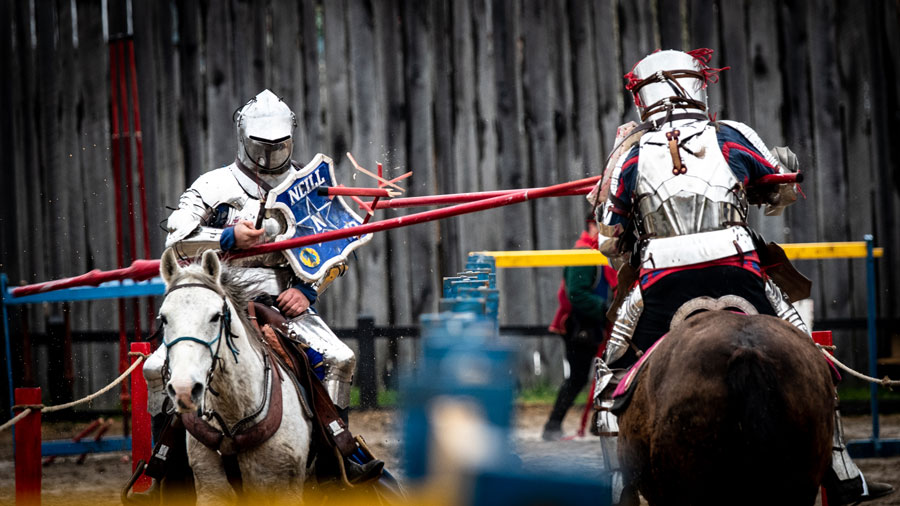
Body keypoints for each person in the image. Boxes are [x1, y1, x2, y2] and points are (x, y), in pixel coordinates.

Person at [589, 49, 893, 505]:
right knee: (812, 359)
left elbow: (609, 236)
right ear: (699, 84)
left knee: (611, 375)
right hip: (739, 271)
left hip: (661, 282)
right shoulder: (731, 135)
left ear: (642, 96)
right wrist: (776, 166)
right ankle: (842, 471)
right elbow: (781, 188)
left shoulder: (629, 153)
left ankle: (619, 487)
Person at [141, 89, 382, 491]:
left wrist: (308, 292)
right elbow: (176, 241)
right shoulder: (213, 185)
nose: (270, 153)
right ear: (243, 136)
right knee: (155, 369)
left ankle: (338, 461)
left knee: (340, 358)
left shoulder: (309, 187)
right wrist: (227, 237)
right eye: (261, 144)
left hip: (282, 301)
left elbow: (334, 250)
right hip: (217, 296)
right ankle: (164, 462)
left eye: (278, 144)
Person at [542, 213, 615, 441]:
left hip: (596, 323)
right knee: (577, 379)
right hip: (580, 325)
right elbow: (577, 294)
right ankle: (552, 426)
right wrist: (606, 310)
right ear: (592, 226)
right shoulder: (583, 254)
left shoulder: (600, 254)